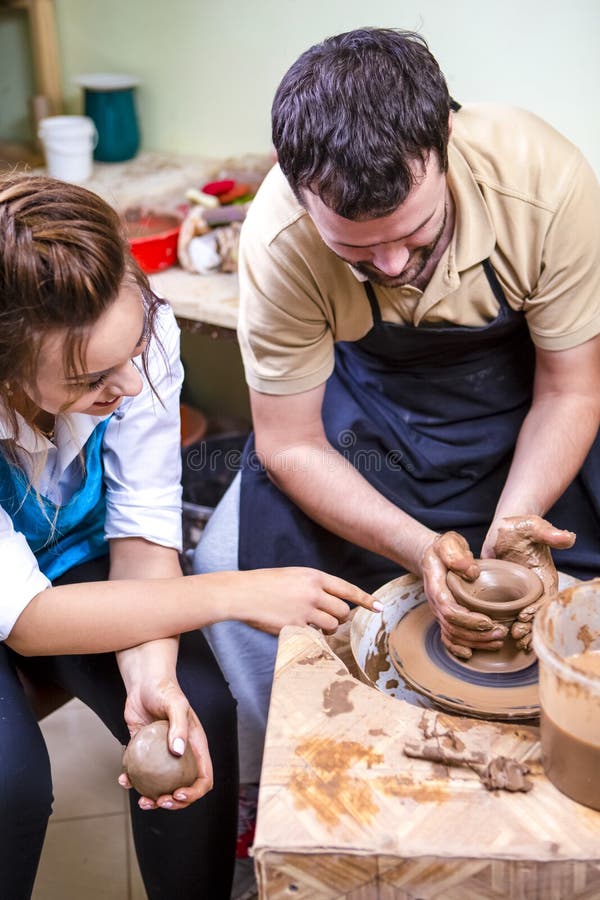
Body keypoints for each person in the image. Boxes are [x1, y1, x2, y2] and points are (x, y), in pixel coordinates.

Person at [194, 27, 600, 792]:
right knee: (227, 564)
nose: (389, 267)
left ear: (444, 141)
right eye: (355, 250)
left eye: (413, 235)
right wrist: (422, 552)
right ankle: (288, 789)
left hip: (527, 404)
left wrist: (514, 527)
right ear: (295, 179)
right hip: (373, 413)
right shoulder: (279, 238)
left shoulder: (542, 178)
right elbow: (290, 443)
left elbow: (571, 388)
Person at [0, 172, 378, 900]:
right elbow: (30, 622)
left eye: (131, 349)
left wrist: (151, 680)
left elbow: (142, 542)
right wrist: (235, 593)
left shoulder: (138, 336)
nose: (131, 387)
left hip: (74, 560)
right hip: (22, 602)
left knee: (192, 708)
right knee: (8, 784)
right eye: (89, 380)